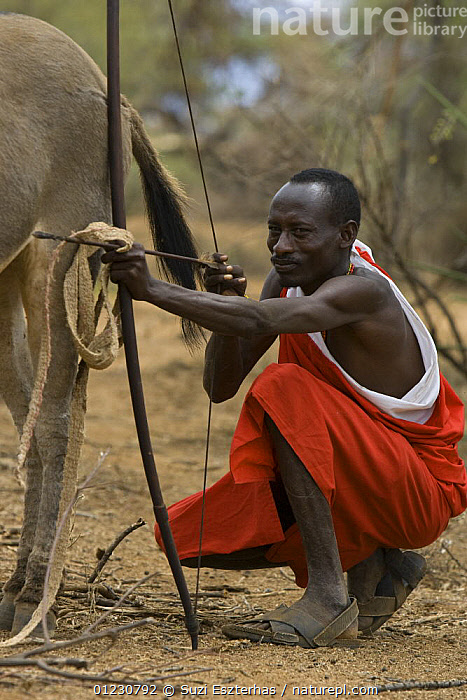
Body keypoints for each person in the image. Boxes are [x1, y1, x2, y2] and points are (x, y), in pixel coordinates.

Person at [103, 168, 466, 648]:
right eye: (275, 230)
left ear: (345, 236)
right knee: (186, 536)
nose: (281, 246)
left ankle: (328, 597)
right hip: (361, 475)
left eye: (300, 232)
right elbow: (220, 385)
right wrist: (224, 303)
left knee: (284, 386)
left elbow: (259, 318)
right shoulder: (286, 279)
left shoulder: (363, 290)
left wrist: (153, 290)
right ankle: (374, 564)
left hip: (415, 494)